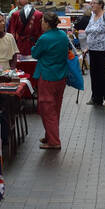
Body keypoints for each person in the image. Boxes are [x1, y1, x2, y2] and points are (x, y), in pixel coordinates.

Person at [31, 10, 71, 150]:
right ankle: (50, 135)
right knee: (55, 107)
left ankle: (54, 141)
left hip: (47, 76)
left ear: (47, 23)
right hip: (61, 76)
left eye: (42, 21)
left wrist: (33, 47)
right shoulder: (63, 35)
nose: (41, 23)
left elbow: (35, 54)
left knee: (47, 108)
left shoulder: (44, 38)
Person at [83, 0, 105, 107]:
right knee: (95, 75)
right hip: (93, 50)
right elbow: (89, 32)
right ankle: (96, 98)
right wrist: (88, 46)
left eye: (94, 3)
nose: (91, 5)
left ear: (100, 5)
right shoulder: (93, 16)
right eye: (91, 3)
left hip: (104, 50)